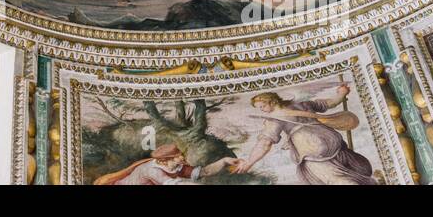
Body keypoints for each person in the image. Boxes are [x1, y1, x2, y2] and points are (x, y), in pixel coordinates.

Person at [230, 86, 376, 184]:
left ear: (272, 102)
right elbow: (329, 103)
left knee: (343, 179)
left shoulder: (275, 119)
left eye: (262, 107)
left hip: (315, 151)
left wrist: (249, 162)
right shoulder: (302, 104)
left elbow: (265, 143)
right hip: (331, 145)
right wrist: (342, 93)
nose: (262, 110)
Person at [94, 143, 232, 184]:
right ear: (167, 159)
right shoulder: (151, 169)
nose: (182, 157)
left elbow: (204, 172)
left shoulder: (177, 166)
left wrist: (224, 160)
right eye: (178, 155)